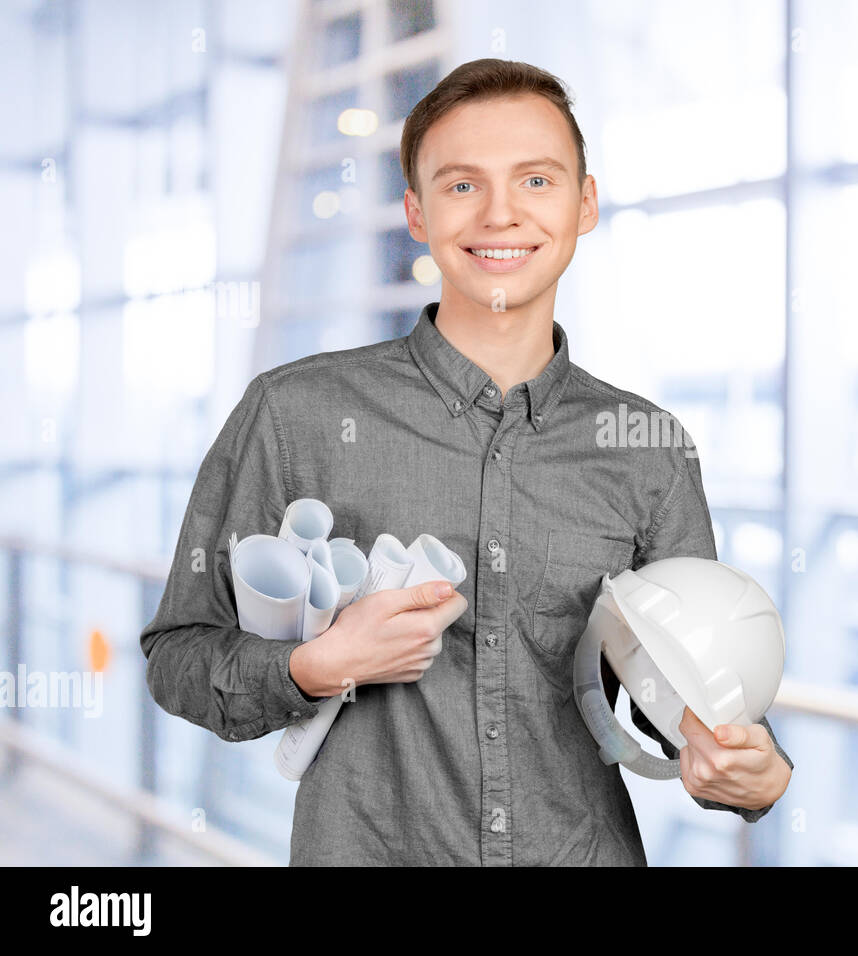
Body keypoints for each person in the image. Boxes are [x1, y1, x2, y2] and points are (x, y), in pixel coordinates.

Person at [139, 58, 793, 866]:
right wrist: (315, 665)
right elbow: (178, 657)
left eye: (537, 181)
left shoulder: (648, 447)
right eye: (460, 186)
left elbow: (686, 680)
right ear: (416, 212)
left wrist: (750, 770)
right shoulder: (292, 414)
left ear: (584, 204)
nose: (501, 214)